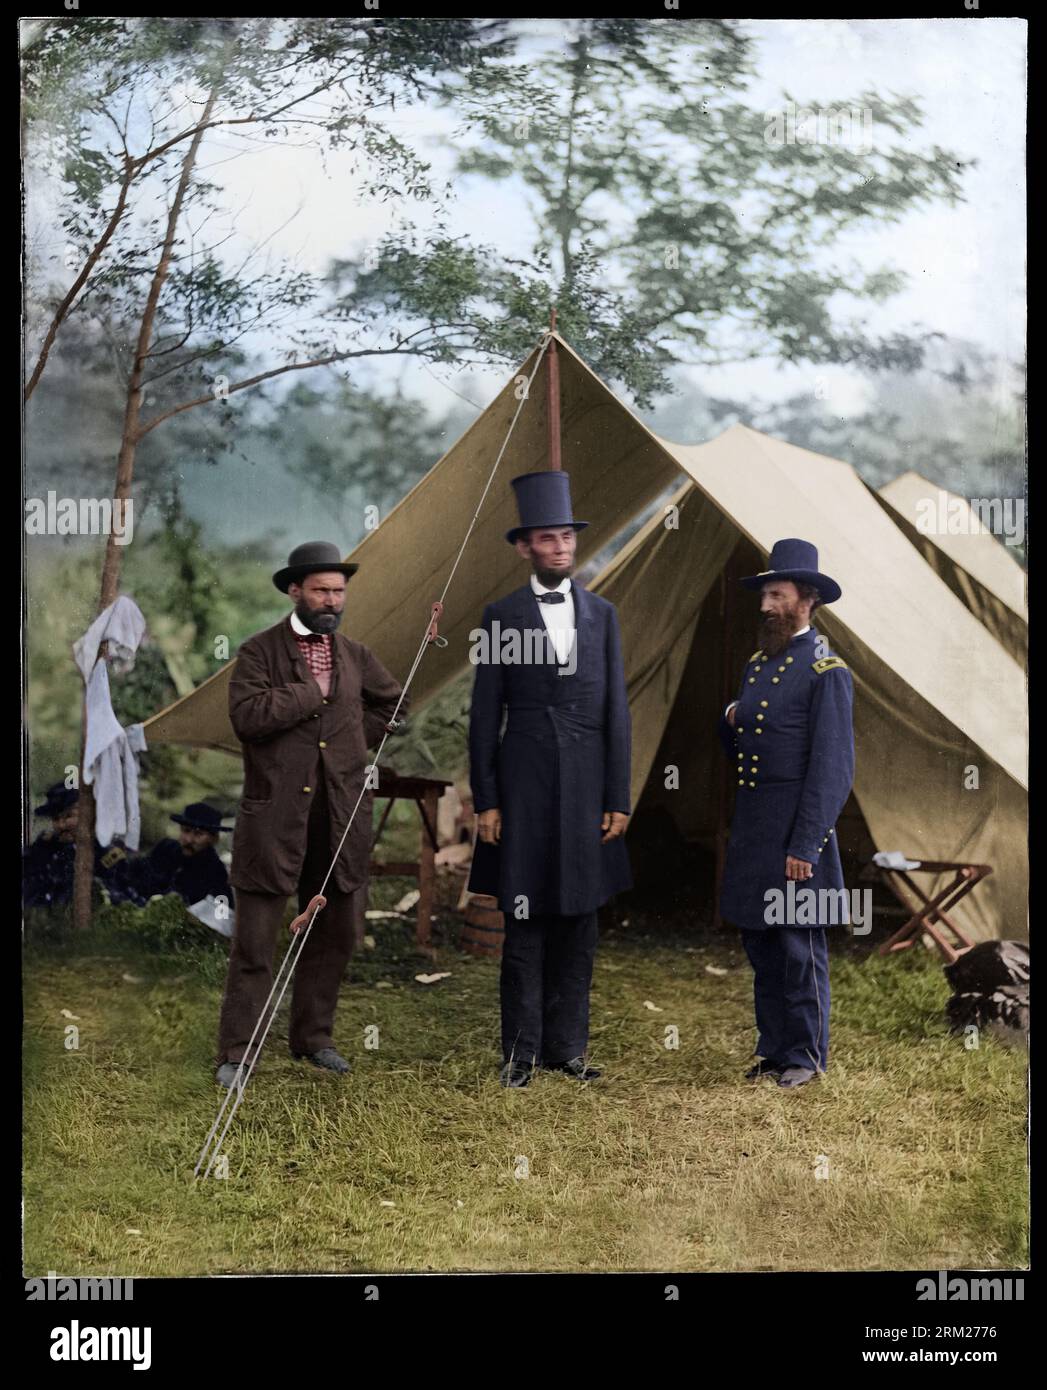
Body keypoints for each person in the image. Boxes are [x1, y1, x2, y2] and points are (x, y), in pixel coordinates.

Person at [215, 541, 405, 1088]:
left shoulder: (356, 654)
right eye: (321, 589)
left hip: (340, 816)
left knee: (336, 931)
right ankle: (237, 1052)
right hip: (274, 819)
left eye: (339, 590)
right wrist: (309, 694)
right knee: (256, 940)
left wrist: (352, 741)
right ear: (294, 590)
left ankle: (313, 1038)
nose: (331, 600)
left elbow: (393, 702)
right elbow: (246, 717)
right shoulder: (258, 652)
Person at [468, 471, 632, 1088]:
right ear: (524, 548)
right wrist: (487, 799)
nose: (561, 547)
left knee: (580, 923)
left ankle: (569, 1048)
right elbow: (485, 716)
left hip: (589, 787)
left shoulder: (604, 615)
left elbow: (618, 709)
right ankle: (520, 1053)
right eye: (548, 538)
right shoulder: (501, 617)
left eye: (567, 537)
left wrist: (618, 796)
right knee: (526, 919)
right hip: (525, 787)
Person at [718, 538, 855, 1090]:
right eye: (765, 595)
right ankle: (773, 1050)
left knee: (799, 943)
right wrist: (730, 716)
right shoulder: (758, 665)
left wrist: (805, 845)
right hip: (755, 824)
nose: (766, 605)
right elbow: (749, 744)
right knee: (762, 940)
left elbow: (832, 769)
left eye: (777, 594)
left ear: (808, 599)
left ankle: (806, 1056)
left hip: (798, 829)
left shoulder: (828, 671)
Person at [22, 783, 133, 908]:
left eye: (68, 816)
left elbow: (121, 899)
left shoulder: (108, 854)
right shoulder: (44, 848)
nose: (61, 825)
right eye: (56, 818)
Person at [127, 803, 232, 905]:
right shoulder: (165, 848)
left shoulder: (217, 873)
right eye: (186, 831)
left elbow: (222, 914)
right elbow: (135, 872)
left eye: (198, 834)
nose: (189, 840)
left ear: (214, 839)